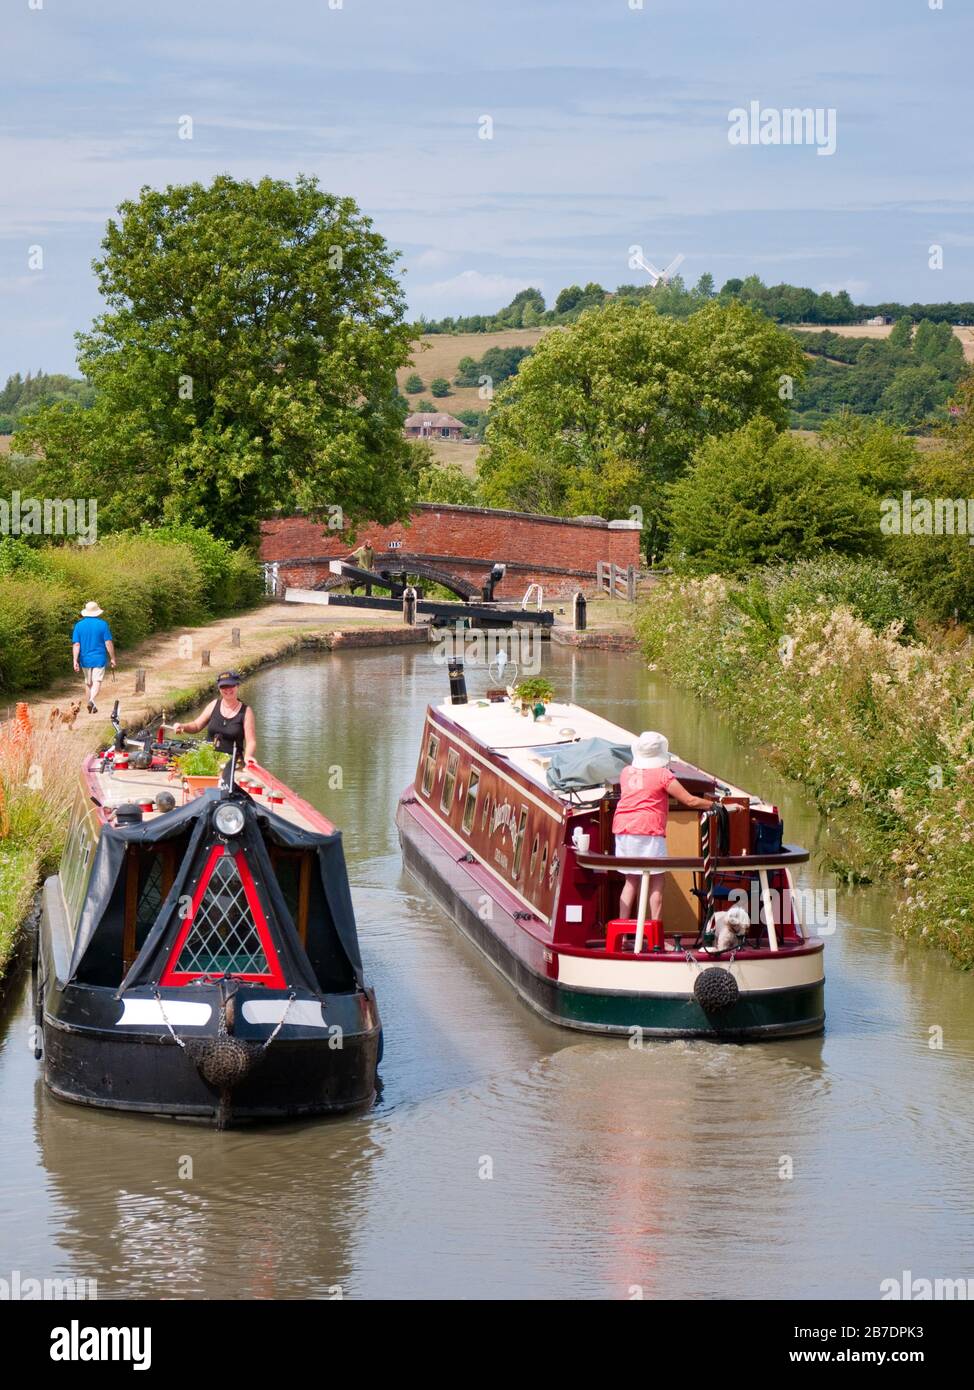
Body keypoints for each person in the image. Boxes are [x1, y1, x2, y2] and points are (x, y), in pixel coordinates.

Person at [613, 731, 716, 928]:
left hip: (623, 830)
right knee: (657, 880)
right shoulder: (663, 774)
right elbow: (689, 800)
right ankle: (655, 932)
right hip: (648, 830)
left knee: (631, 881)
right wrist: (715, 805)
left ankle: (623, 932)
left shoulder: (626, 772)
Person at [173, 670, 257, 764]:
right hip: (209, 761)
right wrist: (182, 726)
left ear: (237, 686)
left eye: (231, 685)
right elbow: (196, 726)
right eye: (223, 686)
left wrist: (248, 756)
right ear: (219, 688)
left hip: (233, 763)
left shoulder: (246, 711)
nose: (228, 689)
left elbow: (251, 742)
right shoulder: (213, 704)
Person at [71, 601, 116, 714]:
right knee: (97, 681)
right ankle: (91, 700)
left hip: (85, 659)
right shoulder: (103, 624)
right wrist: (113, 658)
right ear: (97, 612)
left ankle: (92, 705)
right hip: (99, 658)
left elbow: (76, 644)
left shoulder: (78, 625)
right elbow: (108, 642)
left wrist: (75, 660)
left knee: (88, 683)